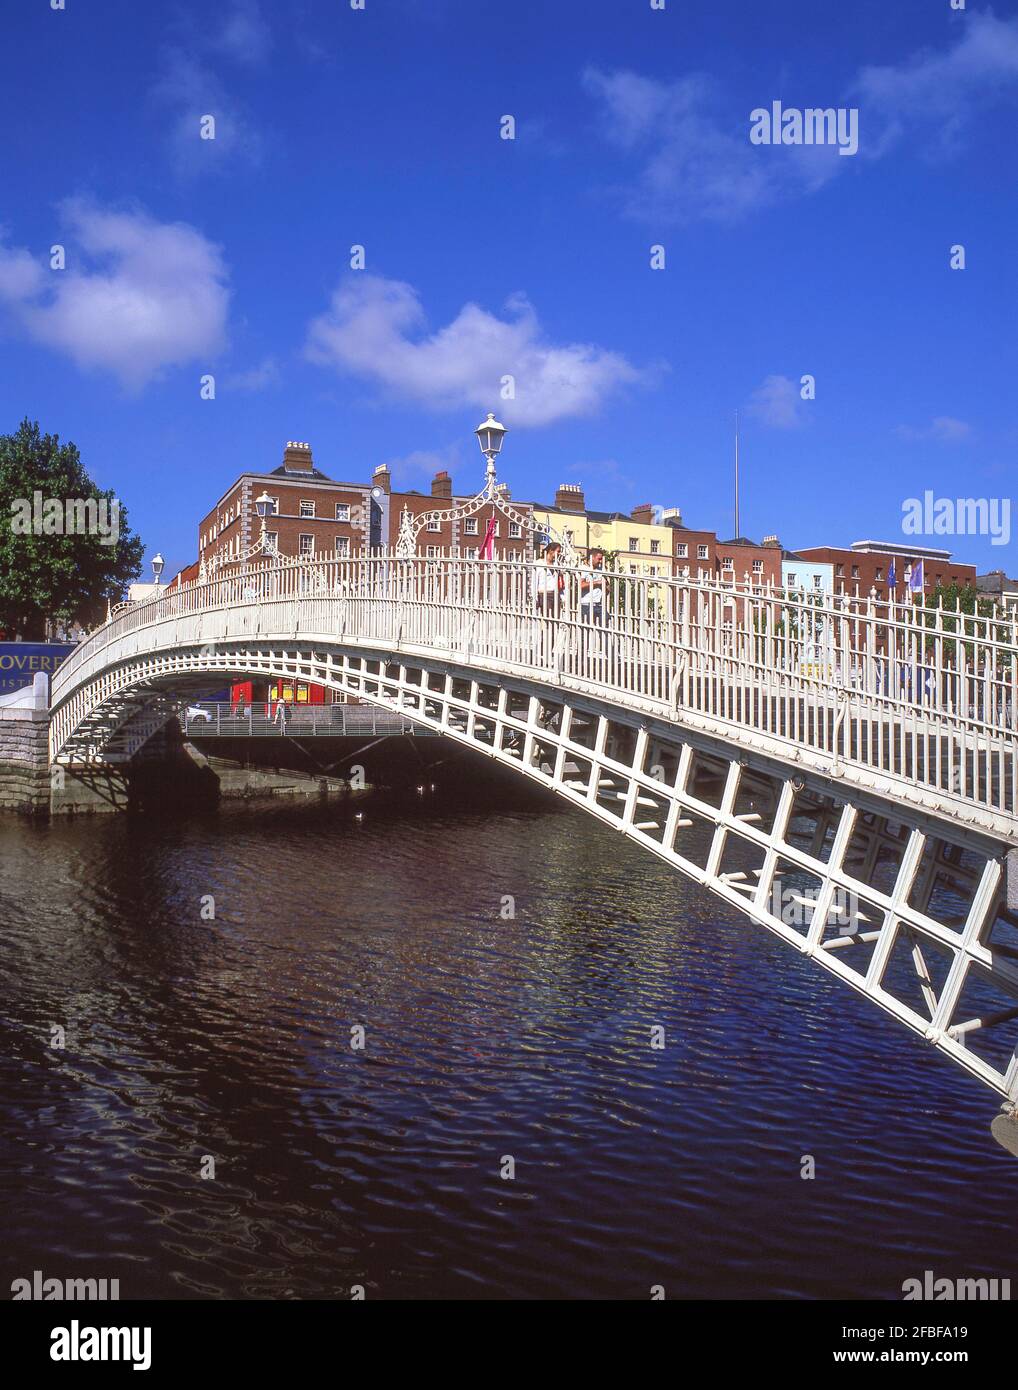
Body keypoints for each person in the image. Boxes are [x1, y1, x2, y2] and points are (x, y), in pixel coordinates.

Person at [535, 542, 564, 615]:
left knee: (556, 618)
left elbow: (560, 581)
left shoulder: (557, 564)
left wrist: (563, 597)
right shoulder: (539, 563)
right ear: (551, 550)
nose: (559, 554)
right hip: (544, 594)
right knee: (547, 618)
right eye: (558, 551)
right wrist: (535, 597)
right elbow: (534, 581)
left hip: (555, 594)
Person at [579, 549, 606, 624]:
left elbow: (607, 586)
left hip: (599, 603)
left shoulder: (601, 570)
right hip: (587, 603)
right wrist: (596, 583)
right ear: (592, 558)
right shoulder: (584, 569)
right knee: (588, 628)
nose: (600, 561)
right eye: (599, 559)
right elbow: (580, 585)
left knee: (605, 624)